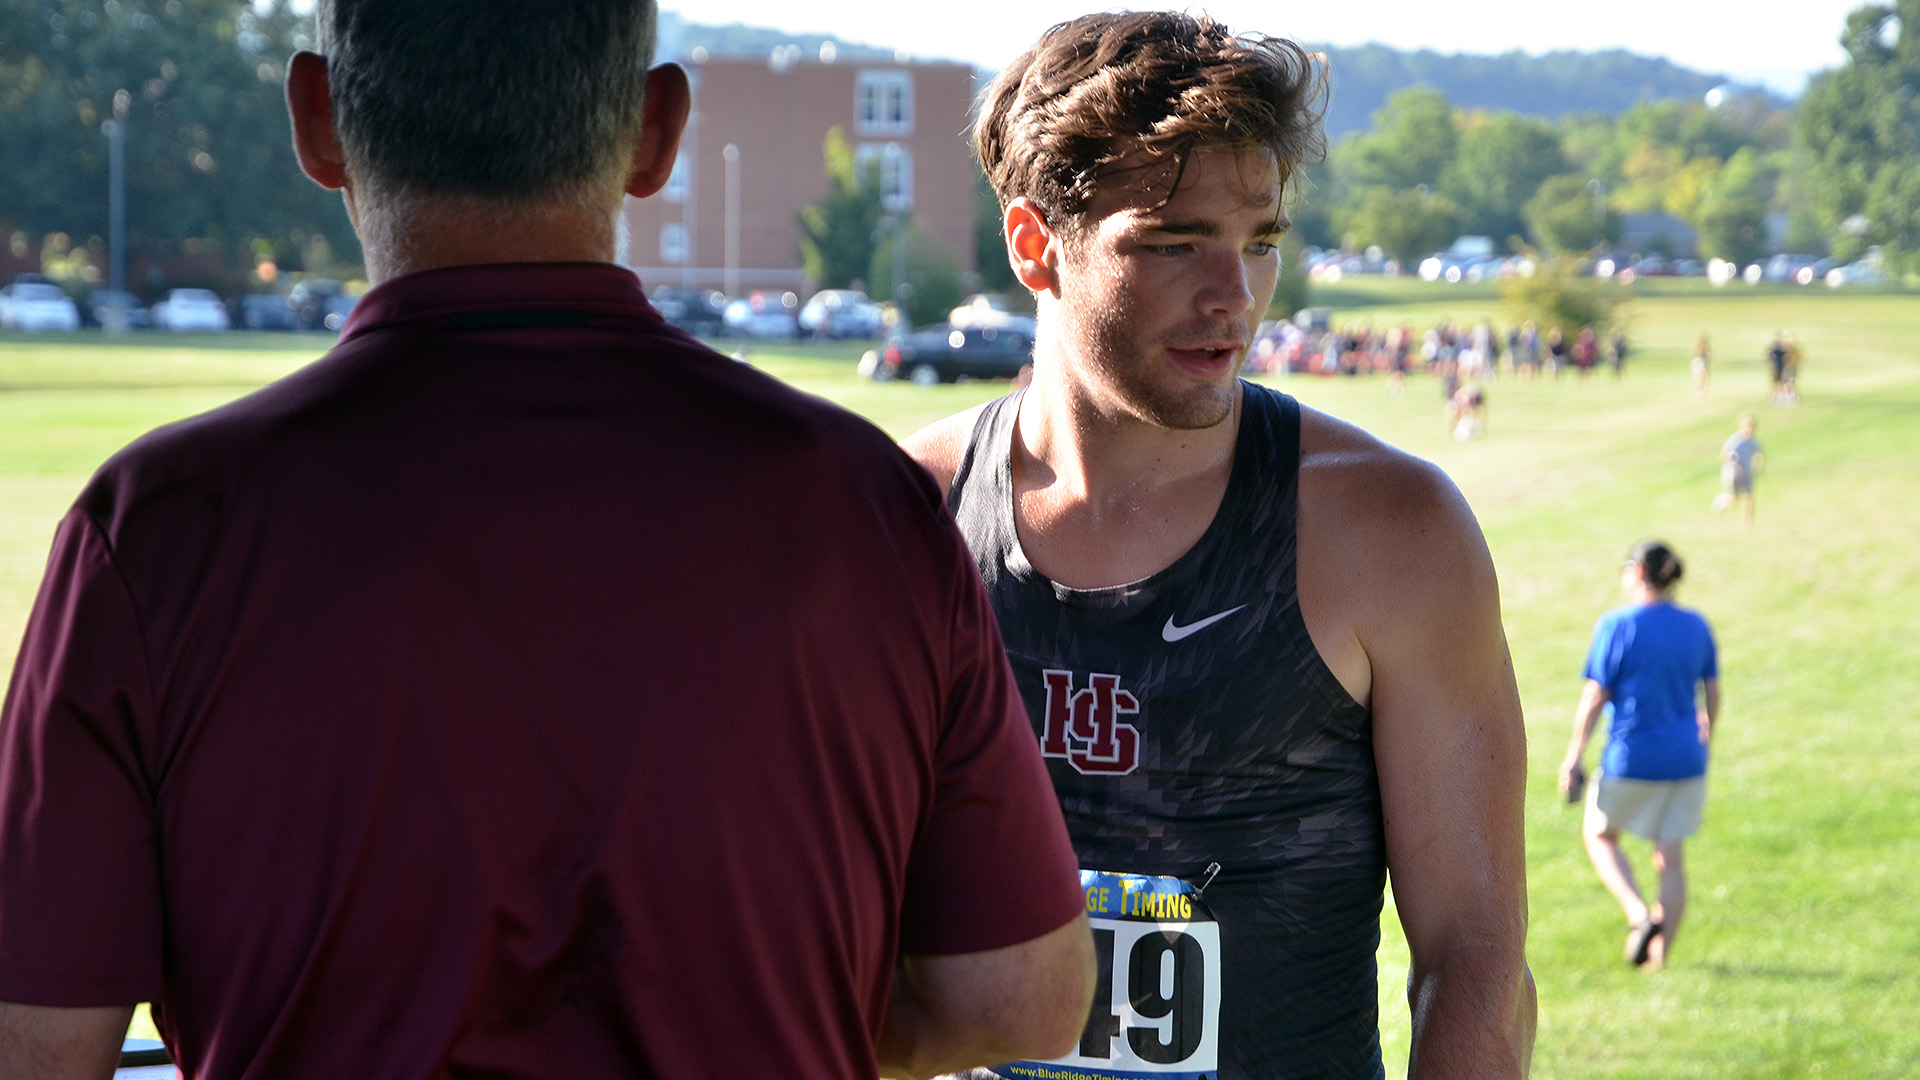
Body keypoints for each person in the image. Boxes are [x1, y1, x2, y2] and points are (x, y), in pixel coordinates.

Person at [0, 3, 1097, 1078]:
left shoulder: (157, 529)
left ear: (315, 121)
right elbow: (1021, 1000)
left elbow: (35, 1046)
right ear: (660, 131)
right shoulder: (864, 504)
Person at [902, 12, 1535, 1078]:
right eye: (1172, 241)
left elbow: (1474, 963)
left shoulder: (1392, 534)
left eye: (1260, 242)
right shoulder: (908, 522)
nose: (1234, 299)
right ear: (1032, 245)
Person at [1558, 541, 1720, 970]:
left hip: (1632, 758)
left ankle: (1638, 915)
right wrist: (1707, 732)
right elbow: (1712, 689)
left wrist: (1574, 754)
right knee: (1670, 859)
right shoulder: (1696, 625)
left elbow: (1595, 695)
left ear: (1639, 573)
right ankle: (1658, 960)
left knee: (1599, 835)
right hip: (1686, 759)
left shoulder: (1617, 625)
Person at [1715, 412, 1765, 524]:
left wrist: (1759, 467)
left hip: (1747, 473)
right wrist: (1729, 463)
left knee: (1749, 496)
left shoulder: (1754, 442)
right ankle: (1720, 501)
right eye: (1747, 425)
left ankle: (1748, 521)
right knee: (1734, 500)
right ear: (1742, 426)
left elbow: (1759, 453)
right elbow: (1723, 455)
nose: (1749, 428)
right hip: (1734, 473)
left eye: (1751, 426)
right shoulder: (1735, 440)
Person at [1690, 332, 1710, 397]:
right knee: (1700, 377)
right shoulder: (1701, 347)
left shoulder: (1703, 348)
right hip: (1700, 362)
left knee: (1701, 377)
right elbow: (1700, 354)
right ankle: (1698, 390)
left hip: (1701, 362)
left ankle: (1699, 390)